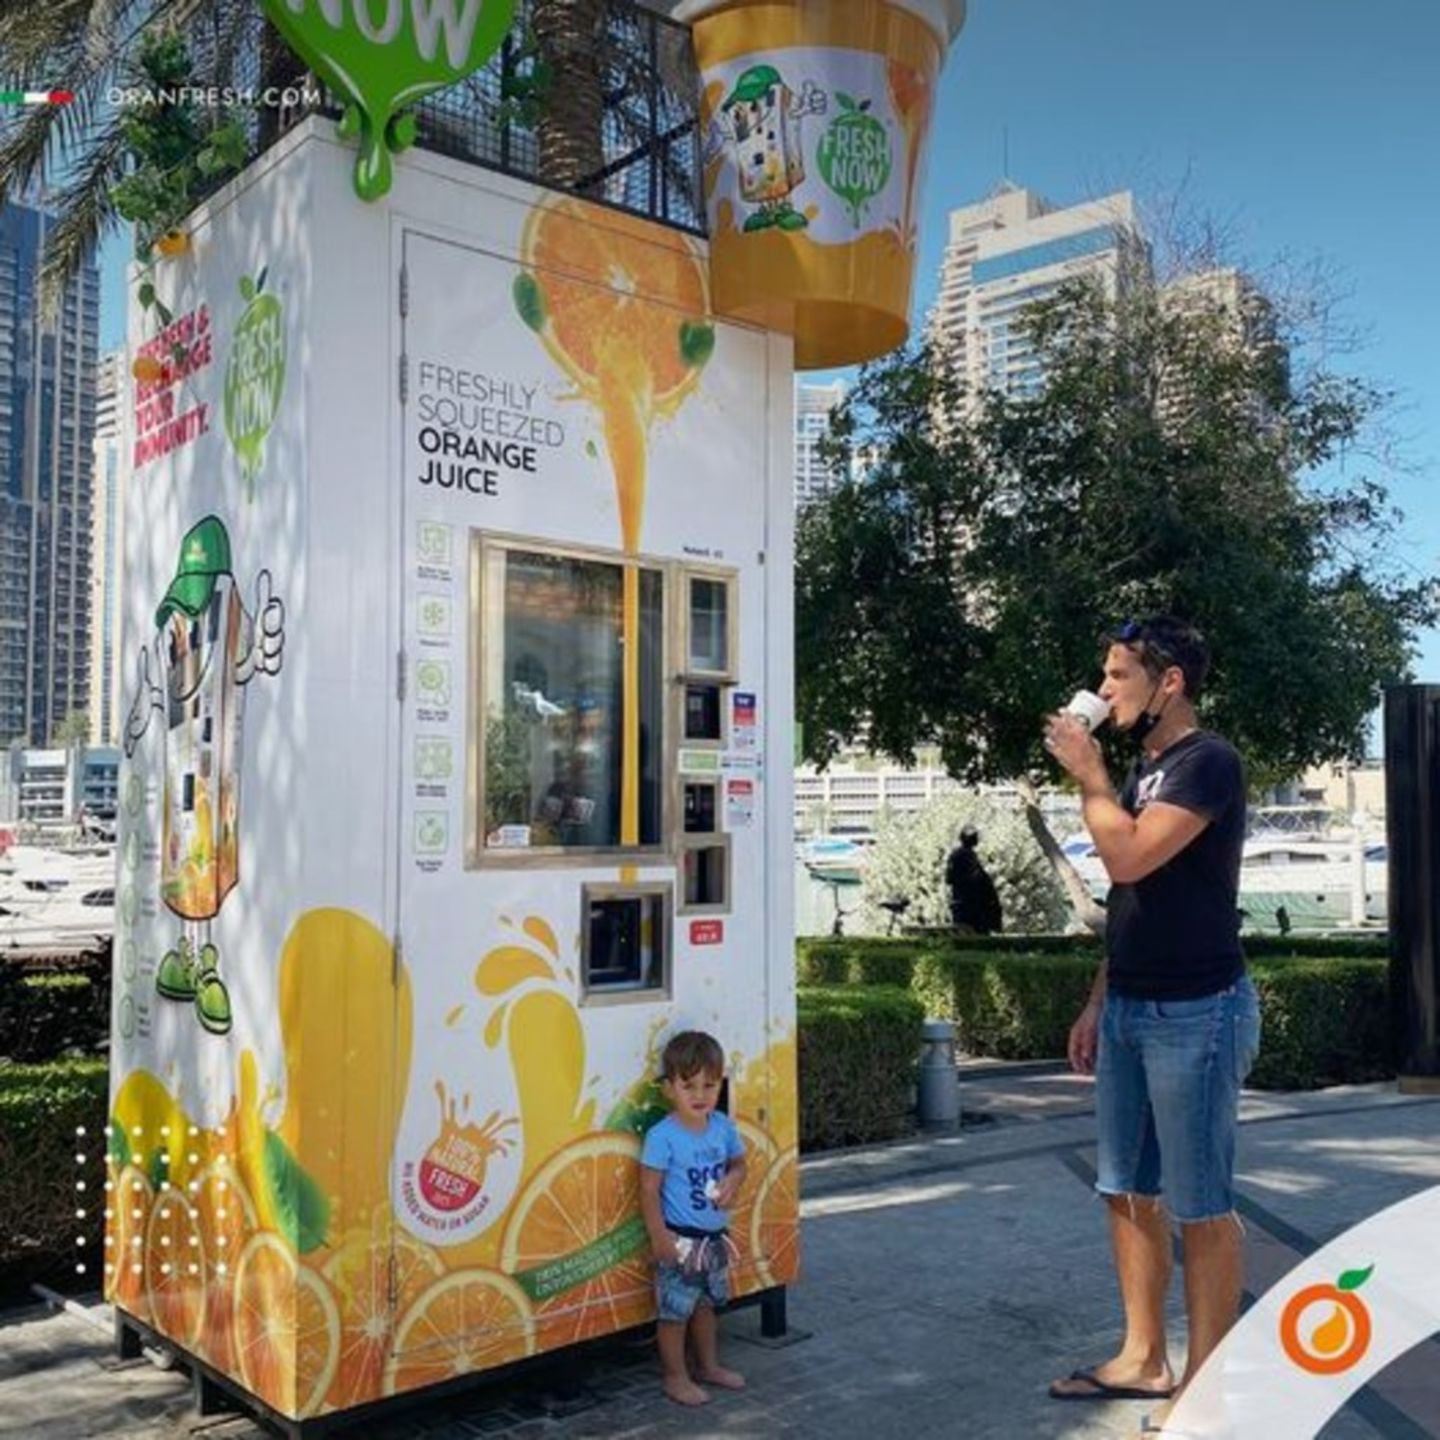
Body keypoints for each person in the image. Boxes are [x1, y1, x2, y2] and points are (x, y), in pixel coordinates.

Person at [1043, 617, 1261, 1431]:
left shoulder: (1208, 763)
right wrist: (1102, 998)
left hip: (1199, 1014)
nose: (1103, 691)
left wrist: (1091, 772)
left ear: (1168, 682)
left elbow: (1129, 856)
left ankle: (1208, 1385)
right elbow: (1129, 895)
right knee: (1125, 1189)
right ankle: (1142, 1358)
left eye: (1117, 676)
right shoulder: (1145, 769)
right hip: (1135, 1006)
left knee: (1200, 1203)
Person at [640, 1030, 749, 1407]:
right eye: (689, 1085)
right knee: (674, 1313)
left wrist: (734, 1179)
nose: (700, 1094)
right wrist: (659, 1237)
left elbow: (739, 1162)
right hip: (680, 1240)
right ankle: (675, 1377)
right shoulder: (662, 1136)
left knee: (706, 1306)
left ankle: (708, 1366)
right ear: (669, 1088)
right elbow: (649, 1189)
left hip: (715, 1238)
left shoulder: (722, 1126)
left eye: (709, 1084)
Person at [945, 825, 1003, 934]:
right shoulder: (965, 856)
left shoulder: (959, 855)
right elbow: (974, 879)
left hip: (963, 902)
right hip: (970, 905)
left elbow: (949, 878)